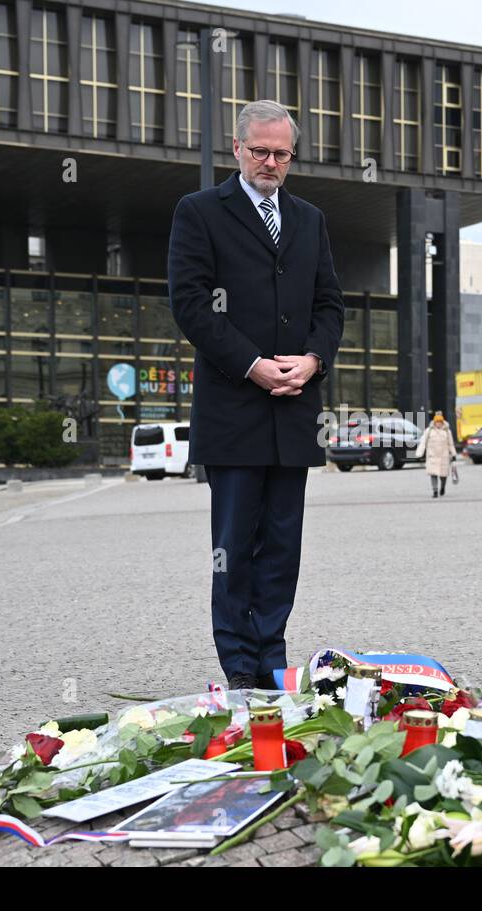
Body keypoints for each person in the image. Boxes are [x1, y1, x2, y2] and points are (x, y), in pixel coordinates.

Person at [167, 100, 344, 690]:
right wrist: (252, 366)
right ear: (237, 149)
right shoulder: (198, 212)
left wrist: (313, 360)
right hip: (234, 412)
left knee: (283, 548)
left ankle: (272, 658)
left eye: (282, 154)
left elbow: (329, 305)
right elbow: (191, 305)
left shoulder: (311, 219)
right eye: (260, 151)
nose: (271, 162)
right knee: (234, 547)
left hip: (294, 410)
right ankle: (240, 666)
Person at [422, 412, 456, 498]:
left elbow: (451, 444)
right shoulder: (428, 431)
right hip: (432, 456)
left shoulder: (447, 432)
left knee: (443, 475)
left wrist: (453, 454)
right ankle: (435, 491)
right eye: (437, 422)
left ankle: (442, 487)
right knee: (433, 474)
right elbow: (423, 443)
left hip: (443, 456)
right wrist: (421, 453)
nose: (438, 423)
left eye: (440, 422)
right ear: (434, 422)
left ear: (443, 422)